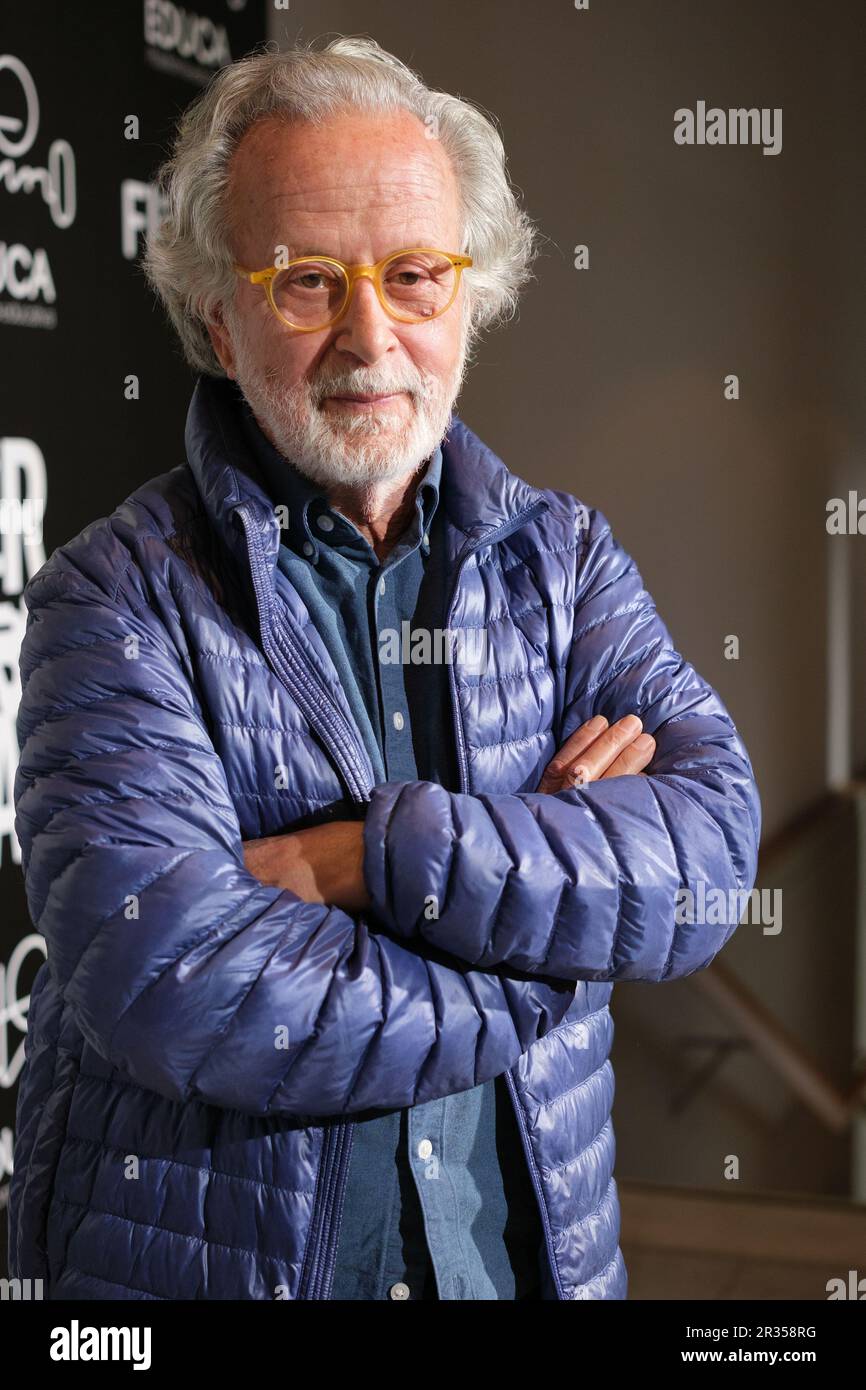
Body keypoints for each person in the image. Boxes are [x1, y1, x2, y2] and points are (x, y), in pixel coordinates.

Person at [8, 36, 760, 1301]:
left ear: (471, 291)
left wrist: (371, 858)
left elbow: (706, 862)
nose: (370, 335)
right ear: (218, 315)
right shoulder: (113, 596)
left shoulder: (564, 561)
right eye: (307, 281)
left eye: (414, 276)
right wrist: (550, 949)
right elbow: (173, 980)